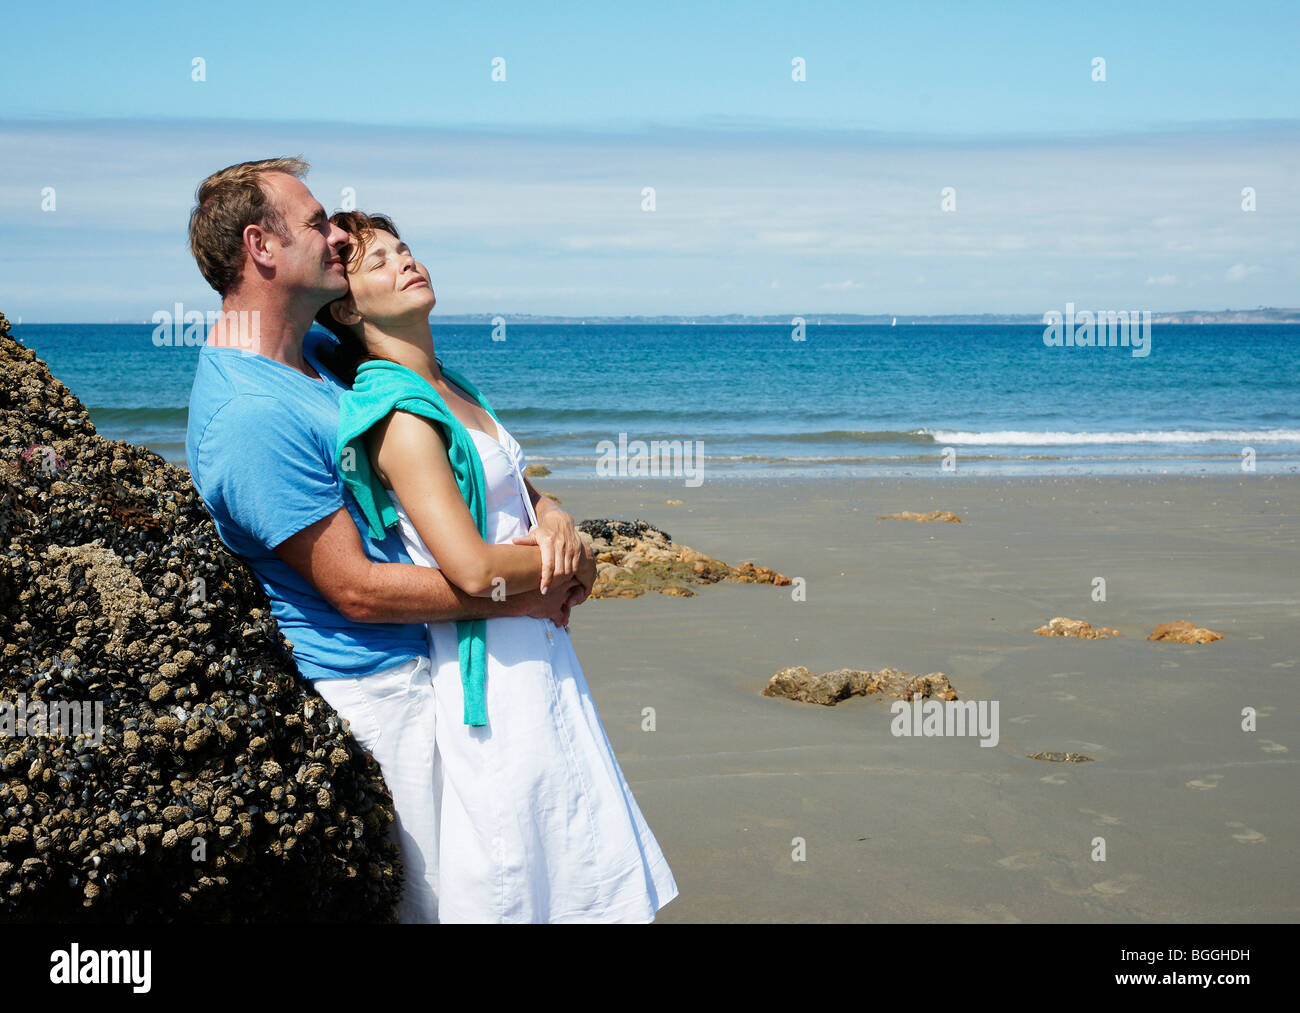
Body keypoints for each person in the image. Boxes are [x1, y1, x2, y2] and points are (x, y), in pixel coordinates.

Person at [184, 158, 575, 923]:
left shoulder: (320, 356)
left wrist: (545, 506)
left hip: (431, 661)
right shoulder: (249, 414)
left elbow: (458, 444)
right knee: (435, 907)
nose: (338, 235)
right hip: (376, 697)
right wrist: (526, 590)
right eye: (317, 221)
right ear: (262, 247)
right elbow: (356, 590)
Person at [312, 210, 678, 922]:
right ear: (349, 306)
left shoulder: (453, 386)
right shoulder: (397, 411)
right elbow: (473, 568)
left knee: (574, 857)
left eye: (405, 248)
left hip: (541, 651)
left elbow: (512, 487)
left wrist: (557, 514)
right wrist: (563, 570)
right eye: (378, 261)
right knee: (519, 867)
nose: (405, 262)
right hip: (494, 671)